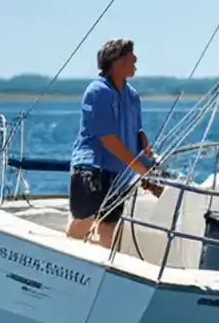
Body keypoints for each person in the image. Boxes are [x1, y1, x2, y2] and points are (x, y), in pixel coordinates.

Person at [67, 38, 162, 247]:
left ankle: (101, 267)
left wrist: (149, 163)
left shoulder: (133, 96)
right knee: (85, 219)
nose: (136, 59)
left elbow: (138, 133)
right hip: (93, 168)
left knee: (109, 225)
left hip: (120, 173)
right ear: (117, 60)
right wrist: (139, 168)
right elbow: (108, 139)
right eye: (131, 55)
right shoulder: (98, 92)